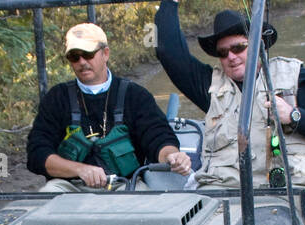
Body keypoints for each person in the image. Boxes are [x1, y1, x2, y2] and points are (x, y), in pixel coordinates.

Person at [154, 0, 305, 190]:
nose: (231, 57)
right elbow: (169, 52)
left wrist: (293, 115)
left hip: (289, 188)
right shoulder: (210, 85)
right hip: (225, 188)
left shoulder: (294, 74)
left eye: (238, 48)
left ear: (257, 44)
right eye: (223, 52)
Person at [26, 22, 191, 187]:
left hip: (125, 185)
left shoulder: (136, 96)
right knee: (50, 192)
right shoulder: (56, 98)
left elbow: (158, 137)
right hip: (69, 187)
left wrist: (172, 156)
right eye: (74, 56)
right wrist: (80, 170)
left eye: (88, 54)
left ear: (105, 53)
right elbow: (37, 153)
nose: (82, 62)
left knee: (143, 200)